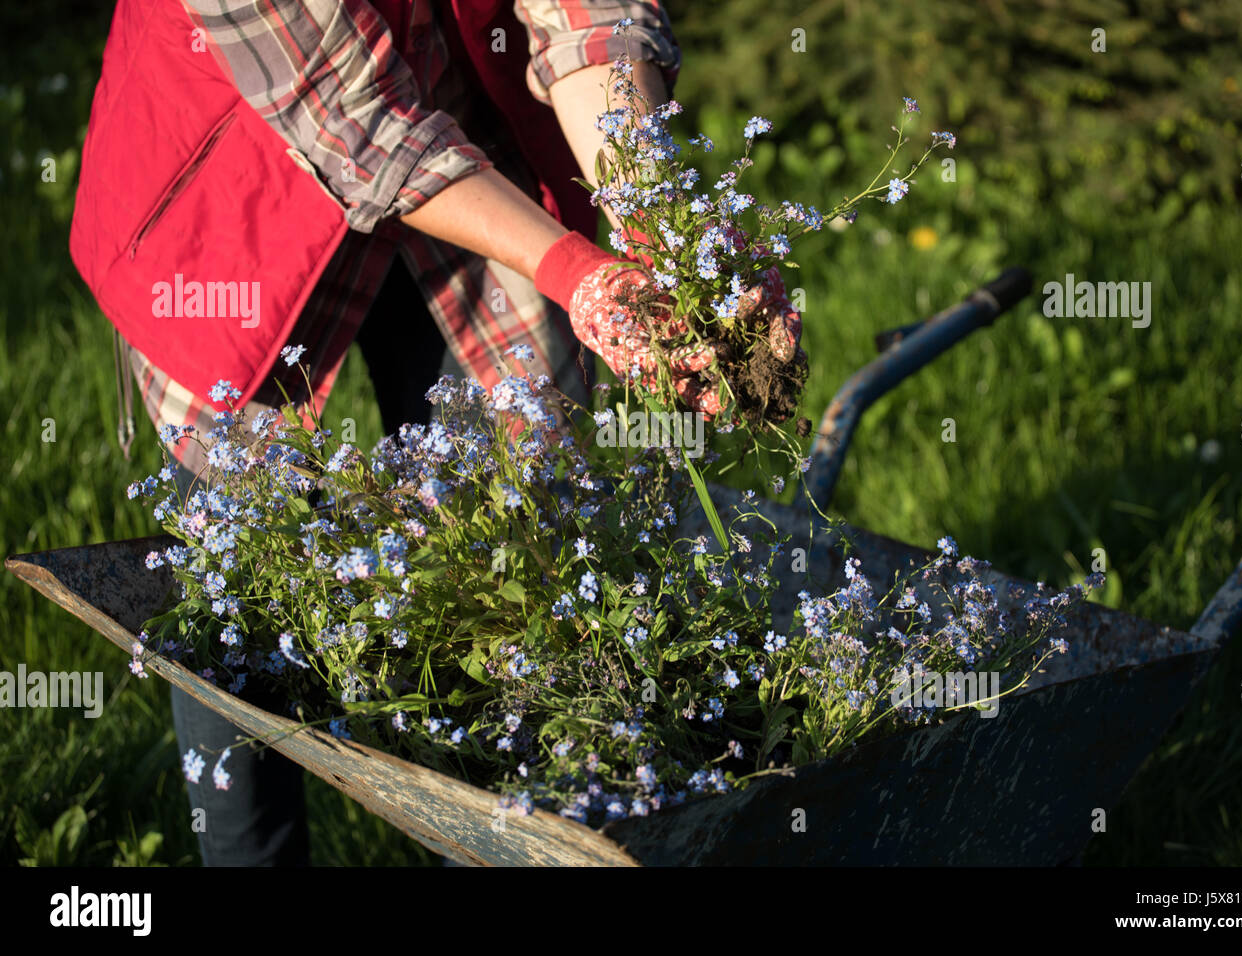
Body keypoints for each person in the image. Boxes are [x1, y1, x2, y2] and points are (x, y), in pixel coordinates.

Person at [69, 0, 801, 865]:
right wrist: (574, 268)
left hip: (466, 154)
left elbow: (590, 15)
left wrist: (656, 225)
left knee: (514, 556)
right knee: (237, 594)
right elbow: (363, 124)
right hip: (236, 193)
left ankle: (485, 835)